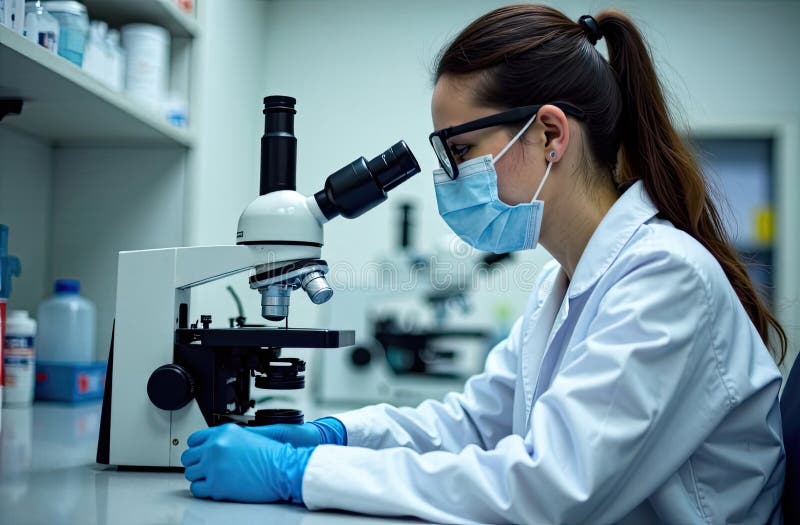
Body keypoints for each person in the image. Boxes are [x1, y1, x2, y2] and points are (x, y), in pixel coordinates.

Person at [179, 5, 787, 523]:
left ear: (551, 133)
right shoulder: (565, 280)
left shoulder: (665, 278)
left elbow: (549, 489)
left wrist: (301, 473)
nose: (449, 179)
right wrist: (337, 436)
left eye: (461, 151)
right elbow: (475, 423)